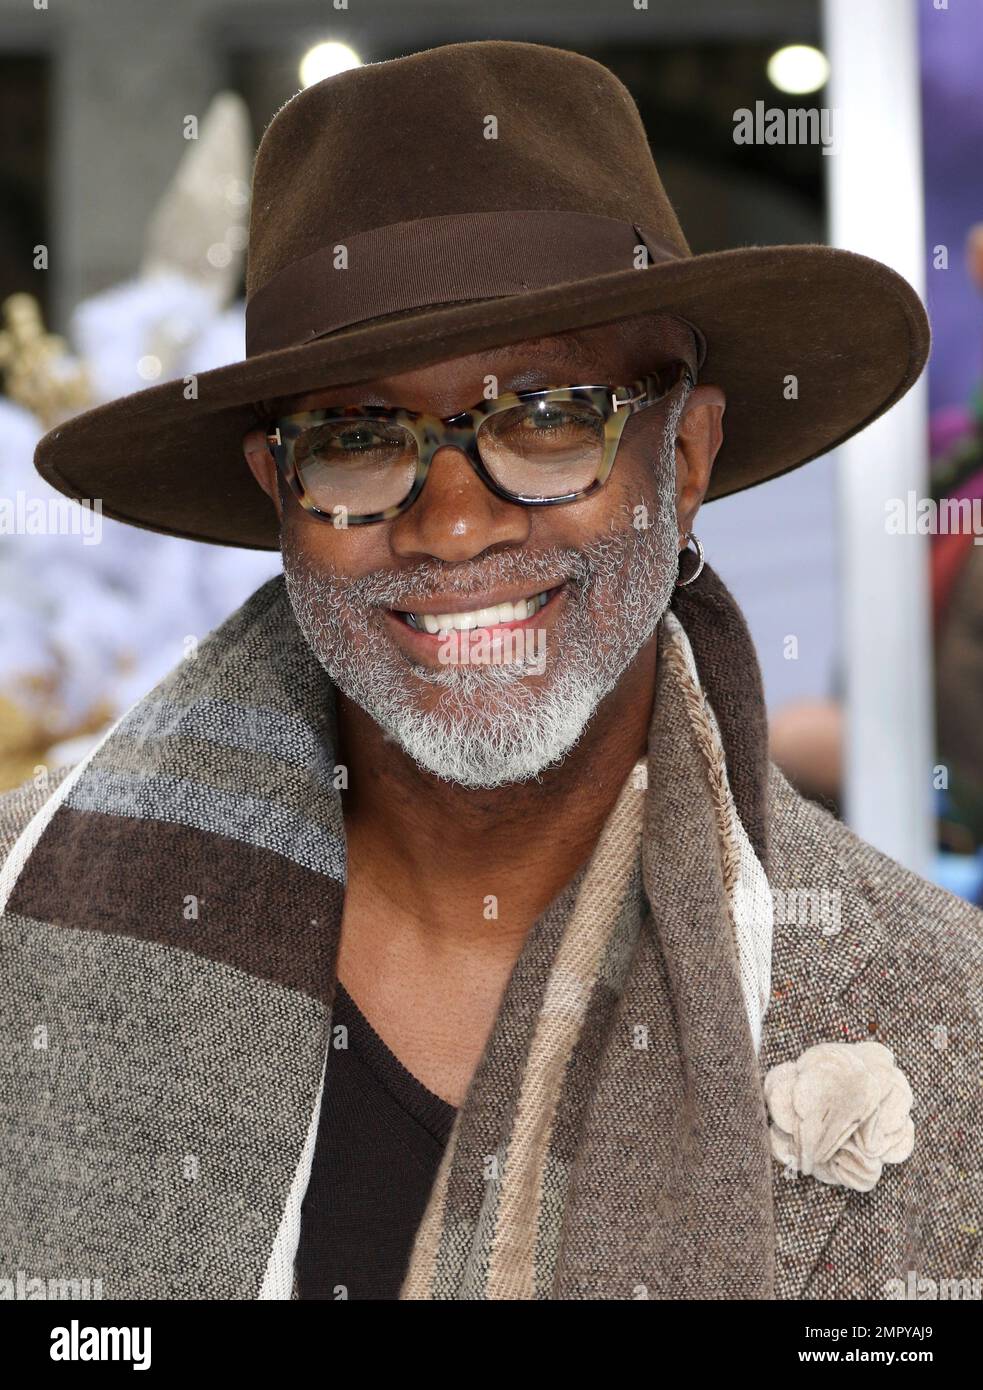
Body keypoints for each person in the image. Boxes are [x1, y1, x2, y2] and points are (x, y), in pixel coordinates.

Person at [1, 39, 980, 1302]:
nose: (454, 525)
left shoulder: (931, 1016)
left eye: (550, 415)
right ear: (280, 492)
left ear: (681, 461)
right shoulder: (28, 919)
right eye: (358, 437)